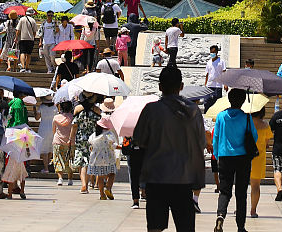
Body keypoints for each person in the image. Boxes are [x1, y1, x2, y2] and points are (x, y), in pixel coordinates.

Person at [133, 64, 206, 232]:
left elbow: (139, 139)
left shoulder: (151, 110)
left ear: (159, 86)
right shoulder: (193, 111)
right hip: (183, 177)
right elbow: (200, 142)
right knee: (185, 227)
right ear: (181, 87)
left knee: (155, 227)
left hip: (156, 177)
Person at [213, 87, 256, 232]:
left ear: (229, 100)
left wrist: (218, 156)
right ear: (243, 101)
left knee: (224, 191)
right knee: (241, 192)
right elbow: (254, 137)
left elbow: (216, 138)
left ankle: (220, 215)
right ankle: (240, 226)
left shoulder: (221, 116)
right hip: (243, 157)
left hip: (225, 156)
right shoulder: (247, 117)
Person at [73, 95, 101, 193]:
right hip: (93, 139)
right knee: (90, 162)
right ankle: (89, 183)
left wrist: (70, 139)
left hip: (80, 139)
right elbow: (100, 126)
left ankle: (84, 185)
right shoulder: (97, 111)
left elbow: (74, 126)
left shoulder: (78, 110)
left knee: (82, 163)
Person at [249, 102, 272, 217]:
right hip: (258, 158)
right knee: (256, 186)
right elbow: (267, 143)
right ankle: (253, 210)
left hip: (245, 157)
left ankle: (240, 208)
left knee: (242, 185)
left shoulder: (246, 124)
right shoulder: (265, 125)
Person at [89, 115, 117, 199]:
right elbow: (112, 143)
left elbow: (90, 142)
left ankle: (102, 194)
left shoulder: (95, 134)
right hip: (108, 158)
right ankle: (108, 188)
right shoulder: (109, 134)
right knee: (112, 173)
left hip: (97, 159)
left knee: (100, 176)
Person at [52, 99, 76, 186]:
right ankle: (70, 179)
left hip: (58, 140)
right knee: (70, 160)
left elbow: (54, 130)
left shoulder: (56, 118)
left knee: (58, 159)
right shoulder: (73, 117)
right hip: (70, 141)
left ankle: (60, 178)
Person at [205, 44, 226, 110]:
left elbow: (224, 72)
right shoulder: (208, 62)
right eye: (211, 52)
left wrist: (225, 84)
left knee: (217, 102)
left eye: (214, 52)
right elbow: (207, 73)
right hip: (210, 84)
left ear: (217, 52)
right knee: (207, 102)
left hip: (218, 85)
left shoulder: (221, 62)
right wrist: (205, 84)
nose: (212, 53)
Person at [80, 1, 100, 72]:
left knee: (84, 56)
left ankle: (86, 68)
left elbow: (82, 37)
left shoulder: (84, 10)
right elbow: (96, 38)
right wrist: (98, 45)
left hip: (85, 43)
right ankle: (90, 68)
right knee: (91, 57)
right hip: (92, 44)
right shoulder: (95, 28)